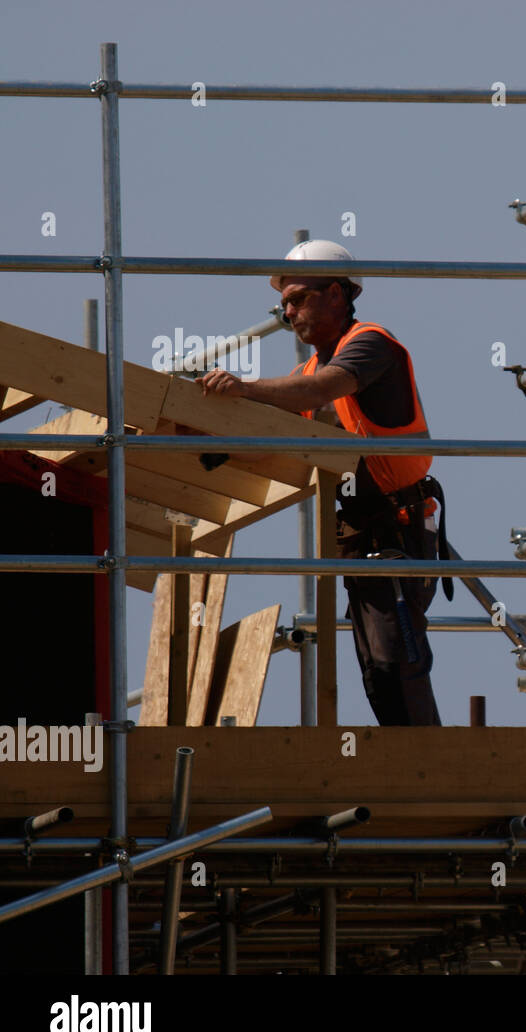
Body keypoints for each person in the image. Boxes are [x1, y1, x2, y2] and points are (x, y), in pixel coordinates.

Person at [199, 239, 448, 726]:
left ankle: (428, 769)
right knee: (377, 668)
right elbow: (284, 415)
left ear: (336, 293)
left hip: (398, 531)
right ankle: (411, 766)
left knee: (396, 659)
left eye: (297, 299)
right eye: (283, 303)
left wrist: (244, 387)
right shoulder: (306, 371)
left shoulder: (371, 343)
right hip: (361, 538)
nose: (288, 312)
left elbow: (323, 389)